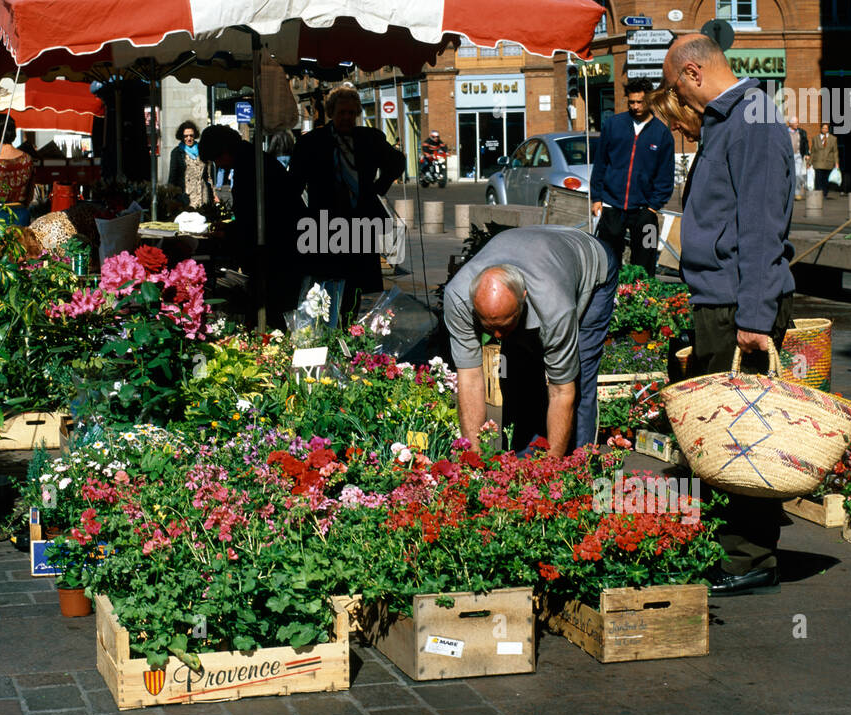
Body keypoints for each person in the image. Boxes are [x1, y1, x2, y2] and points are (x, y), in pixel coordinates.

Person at [657, 32, 796, 596]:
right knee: (723, 432)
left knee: (744, 435)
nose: (681, 103)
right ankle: (726, 546)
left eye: (677, 90)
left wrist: (757, 316)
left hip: (740, 304)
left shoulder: (753, 119)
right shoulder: (733, 119)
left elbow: (763, 224)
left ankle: (748, 556)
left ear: (693, 74)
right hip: (722, 298)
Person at [444, 225, 614, 455]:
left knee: (578, 371)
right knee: (518, 367)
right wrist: (473, 462)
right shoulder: (458, 297)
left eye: (504, 326)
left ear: (522, 300)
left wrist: (551, 479)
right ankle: (525, 455)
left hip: (591, 262)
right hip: (535, 252)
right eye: (488, 327)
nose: (496, 338)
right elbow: (470, 378)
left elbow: (562, 391)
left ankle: (577, 467)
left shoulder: (555, 308)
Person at [288, 85, 407, 321]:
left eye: (352, 113)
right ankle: (328, 329)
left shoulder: (370, 138)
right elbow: (294, 186)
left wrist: (377, 189)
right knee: (326, 283)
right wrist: (303, 217)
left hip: (361, 222)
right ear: (331, 112)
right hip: (324, 225)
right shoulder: (311, 142)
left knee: (360, 284)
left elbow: (397, 162)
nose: (347, 118)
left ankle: (355, 330)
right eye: (342, 113)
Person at [200, 124, 302, 323]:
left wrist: (229, 233)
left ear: (225, 151)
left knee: (273, 313)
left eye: (217, 159)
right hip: (281, 249)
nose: (219, 165)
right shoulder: (253, 160)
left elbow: (257, 218)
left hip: (277, 254)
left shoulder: (251, 167)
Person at [590, 78, 675, 276]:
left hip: (645, 209)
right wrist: (597, 198)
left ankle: (642, 299)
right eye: (631, 102)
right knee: (608, 261)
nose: (635, 106)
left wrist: (654, 206)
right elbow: (601, 163)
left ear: (650, 101)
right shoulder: (613, 125)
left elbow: (665, 174)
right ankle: (609, 300)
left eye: (640, 102)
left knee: (645, 262)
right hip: (612, 205)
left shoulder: (662, 134)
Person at [168, 120, 213, 210]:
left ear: (195, 135)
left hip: (203, 197)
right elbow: (172, 177)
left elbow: (208, 176)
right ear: (181, 137)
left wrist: (213, 195)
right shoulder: (177, 152)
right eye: (185, 136)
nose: (189, 138)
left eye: (191, 135)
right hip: (186, 199)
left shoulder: (203, 150)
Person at [810, 122, 839, 198]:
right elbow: (813, 151)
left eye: (826, 128)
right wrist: (809, 162)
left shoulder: (833, 139)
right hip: (818, 162)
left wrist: (836, 162)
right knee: (818, 179)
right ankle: (818, 194)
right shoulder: (815, 138)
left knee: (825, 179)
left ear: (828, 129)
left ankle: (824, 194)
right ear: (821, 129)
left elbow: (835, 151)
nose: (824, 130)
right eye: (823, 128)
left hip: (828, 162)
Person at [787, 117, 808, 201]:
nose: (797, 124)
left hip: (798, 155)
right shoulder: (785, 132)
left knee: (798, 175)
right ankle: (788, 193)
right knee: (788, 174)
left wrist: (806, 153)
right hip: (788, 156)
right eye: (795, 123)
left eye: (797, 123)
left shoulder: (801, 132)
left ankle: (797, 193)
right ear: (790, 124)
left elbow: (805, 143)